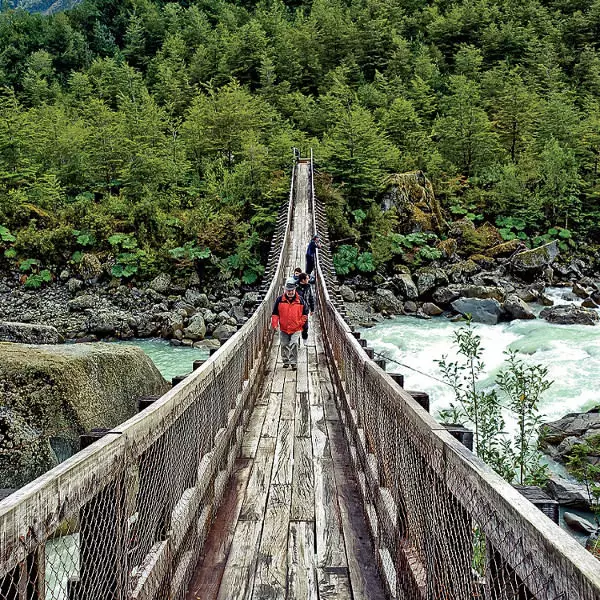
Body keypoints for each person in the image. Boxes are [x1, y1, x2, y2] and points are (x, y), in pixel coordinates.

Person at [271, 277, 308, 370]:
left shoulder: (301, 300)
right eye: (288, 290)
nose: (290, 292)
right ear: (285, 290)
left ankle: (293, 362)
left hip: (296, 327)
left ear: (295, 290)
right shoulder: (280, 300)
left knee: (294, 343)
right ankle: (286, 361)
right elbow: (275, 313)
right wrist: (274, 324)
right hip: (284, 327)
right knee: (284, 344)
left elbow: (305, 313)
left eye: (292, 290)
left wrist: (301, 323)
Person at [296, 272, 314, 344]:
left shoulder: (308, 286)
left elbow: (311, 297)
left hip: (305, 310)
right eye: (307, 278)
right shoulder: (295, 287)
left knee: (305, 326)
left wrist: (312, 309)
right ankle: (296, 341)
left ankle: (304, 338)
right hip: (296, 310)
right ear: (303, 280)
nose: (308, 279)